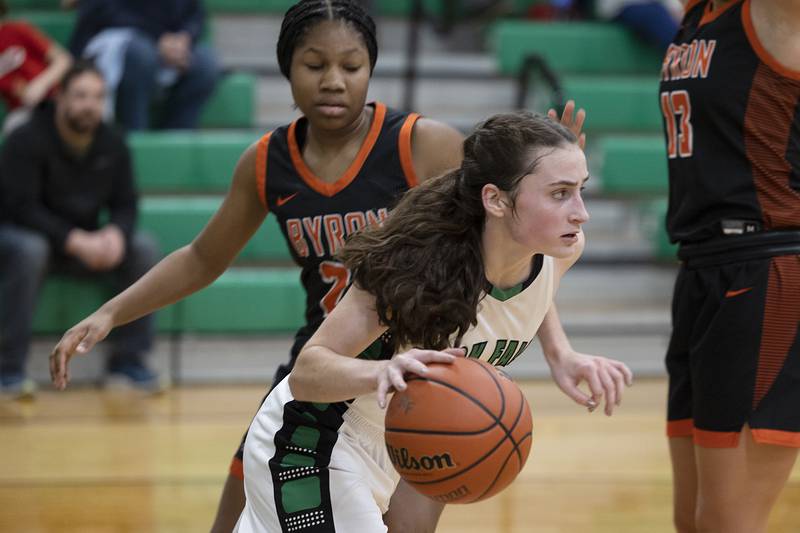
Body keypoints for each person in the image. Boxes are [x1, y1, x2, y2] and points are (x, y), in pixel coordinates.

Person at [223, 110, 633, 532]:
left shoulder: (559, 250)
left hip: (392, 447)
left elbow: (528, 292)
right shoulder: (413, 269)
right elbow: (307, 373)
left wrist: (559, 352)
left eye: (580, 190)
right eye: (560, 193)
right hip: (310, 442)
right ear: (495, 200)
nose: (581, 212)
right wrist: (383, 370)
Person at [661, 1, 800, 532]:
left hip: (765, 269)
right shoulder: (695, 14)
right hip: (699, 270)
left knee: (728, 524)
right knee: (692, 522)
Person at [0, 61, 161, 398]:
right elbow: (20, 207)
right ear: (60, 98)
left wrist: (116, 233)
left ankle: (128, 363)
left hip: (81, 242)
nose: (90, 105)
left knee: (143, 248)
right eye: (81, 96)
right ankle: (8, 370)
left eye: (98, 97)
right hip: (22, 240)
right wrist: (74, 240)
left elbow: (126, 203)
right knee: (30, 249)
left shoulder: (112, 140)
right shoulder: (26, 138)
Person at [68, 0, 220, 130]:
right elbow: (101, 10)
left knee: (204, 64)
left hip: (167, 46)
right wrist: (157, 38)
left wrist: (184, 38)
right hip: (113, 39)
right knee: (140, 54)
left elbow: (194, 14)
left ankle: (177, 139)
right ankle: (135, 136)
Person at [0, 0, 72, 133]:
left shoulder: (17, 29)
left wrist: (41, 84)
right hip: (23, 112)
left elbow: (63, 60)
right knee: (15, 127)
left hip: (55, 99)